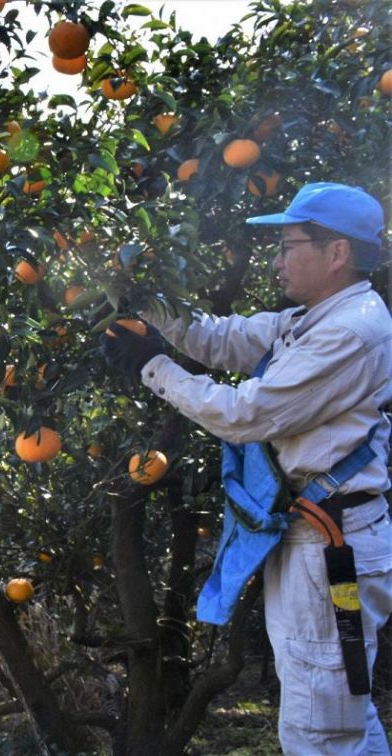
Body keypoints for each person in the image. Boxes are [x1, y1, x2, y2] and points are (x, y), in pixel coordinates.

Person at [101, 182, 391, 754]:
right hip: (315, 533)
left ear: (337, 253)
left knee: (320, 724)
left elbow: (246, 414)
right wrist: (148, 302)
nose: (277, 259)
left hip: (331, 549)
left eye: (289, 245)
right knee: (339, 705)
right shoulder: (312, 318)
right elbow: (224, 338)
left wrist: (154, 365)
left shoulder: (350, 331)